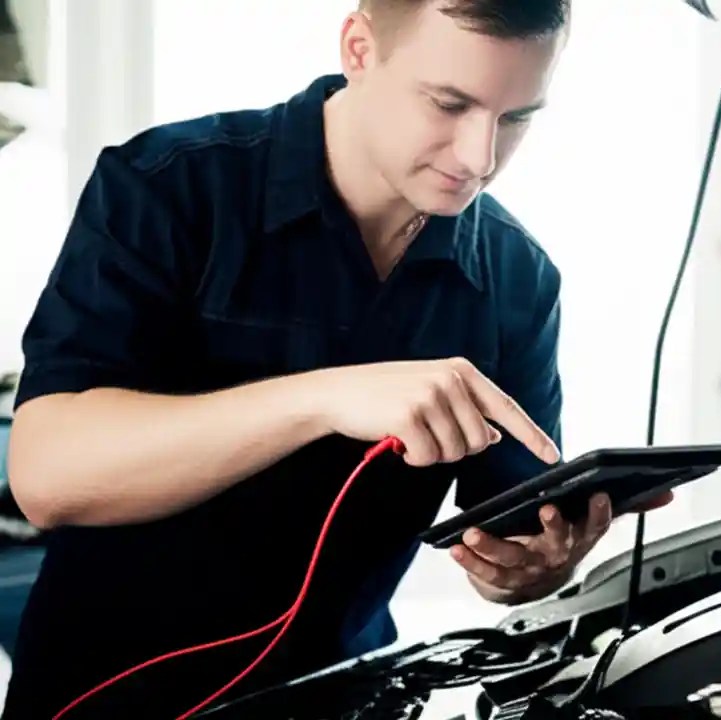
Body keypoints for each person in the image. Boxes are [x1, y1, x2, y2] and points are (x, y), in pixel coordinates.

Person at [3, 0, 670, 716]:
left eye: (516, 118)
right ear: (358, 48)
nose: (479, 156)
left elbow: (503, 538)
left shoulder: (518, 278)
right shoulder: (169, 187)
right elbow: (47, 475)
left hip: (346, 698)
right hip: (104, 699)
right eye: (449, 104)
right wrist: (321, 400)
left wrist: (532, 570)